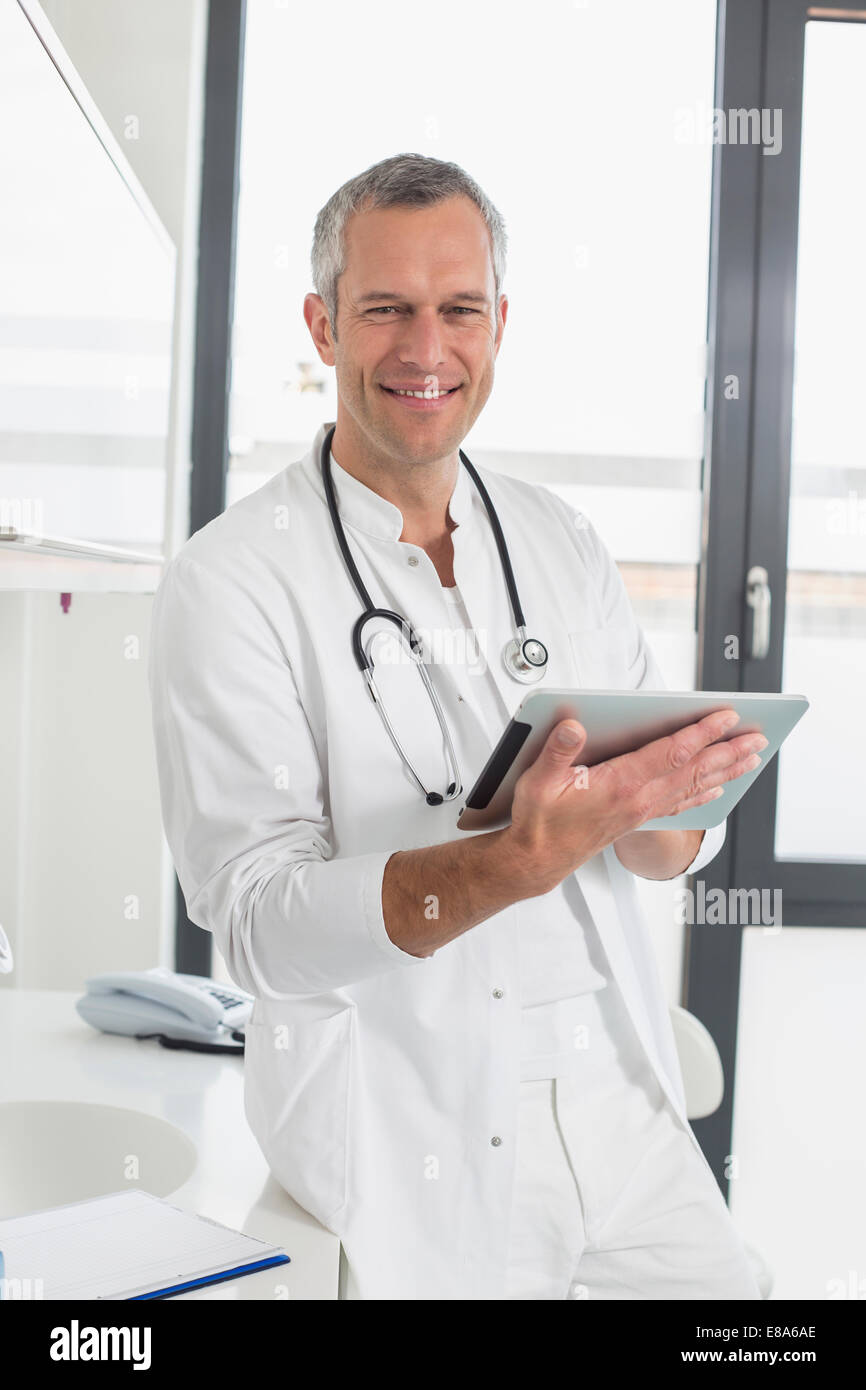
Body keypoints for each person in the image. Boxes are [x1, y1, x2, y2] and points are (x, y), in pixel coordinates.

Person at [148, 152, 765, 1300]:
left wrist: (675, 804)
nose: (425, 350)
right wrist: (507, 863)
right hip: (412, 1136)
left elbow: (654, 844)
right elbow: (258, 926)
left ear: (497, 324)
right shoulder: (229, 582)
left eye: (458, 309)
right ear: (322, 326)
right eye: (385, 308)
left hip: (623, 1106)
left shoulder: (559, 538)